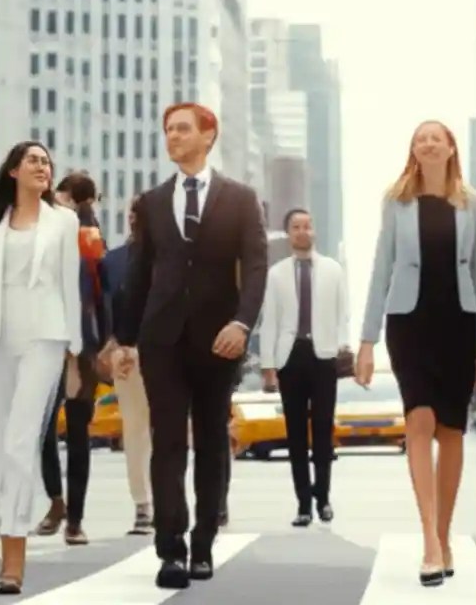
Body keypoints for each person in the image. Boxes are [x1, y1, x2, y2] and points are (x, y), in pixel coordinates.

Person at [113, 102, 267, 590]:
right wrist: (125, 337)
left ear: (208, 135)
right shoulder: (152, 202)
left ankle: (203, 543)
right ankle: (170, 549)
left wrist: (243, 324)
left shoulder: (241, 199)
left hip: (219, 340)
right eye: (168, 130)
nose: (172, 137)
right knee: (168, 442)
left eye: (182, 129)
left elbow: (257, 267)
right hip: (162, 340)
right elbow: (139, 274)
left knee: (212, 441)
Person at [356, 120, 476, 588]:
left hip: (458, 323)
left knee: (452, 430)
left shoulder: (473, 203)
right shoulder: (397, 201)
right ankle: (430, 543)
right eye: (420, 138)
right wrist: (367, 340)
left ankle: (445, 534)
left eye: (436, 137)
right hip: (408, 323)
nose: (428, 143)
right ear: (413, 150)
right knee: (419, 420)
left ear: (450, 147)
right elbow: (380, 268)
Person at [0, 140, 82, 595]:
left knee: (21, 441)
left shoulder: (64, 222)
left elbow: (70, 285)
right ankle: (7, 533)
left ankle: (15, 560)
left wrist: (74, 354)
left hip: (45, 335)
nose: (42, 166)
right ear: (12, 171)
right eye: (32, 159)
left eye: (47, 161)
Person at [259, 208, 352, 527]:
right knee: (296, 433)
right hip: (290, 356)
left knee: (323, 430)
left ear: (314, 231)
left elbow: (343, 313)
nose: (303, 231)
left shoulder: (333, 270)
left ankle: (323, 498)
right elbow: (269, 320)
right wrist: (268, 365)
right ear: (289, 234)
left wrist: (343, 346)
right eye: (296, 227)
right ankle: (303, 504)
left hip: (323, 355)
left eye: (307, 226)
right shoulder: (276, 274)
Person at [35, 172, 106, 544]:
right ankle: (59, 504)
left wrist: (79, 354)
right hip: (44, 343)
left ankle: (73, 516)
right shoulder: (44, 232)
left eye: (61, 195)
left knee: (76, 432)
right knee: (43, 431)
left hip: (78, 346)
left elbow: (88, 297)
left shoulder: (87, 239)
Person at [98, 199, 154, 535]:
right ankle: (142, 504)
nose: (135, 219)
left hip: (166, 351)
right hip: (125, 353)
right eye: (132, 214)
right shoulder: (113, 261)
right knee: (135, 430)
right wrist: (112, 346)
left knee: (168, 432)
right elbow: (104, 306)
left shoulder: (172, 259)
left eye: (142, 214)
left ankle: (168, 500)